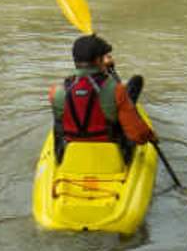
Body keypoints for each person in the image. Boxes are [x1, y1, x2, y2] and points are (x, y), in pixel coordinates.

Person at [49, 33, 157, 164]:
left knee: (58, 121)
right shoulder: (117, 91)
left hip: (71, 156)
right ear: (99, 60)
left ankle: (58, 159)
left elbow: (61, 128)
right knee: (135, 82)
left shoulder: (56, 92)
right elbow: (138, 136)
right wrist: (151, 137)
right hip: (112, 157)